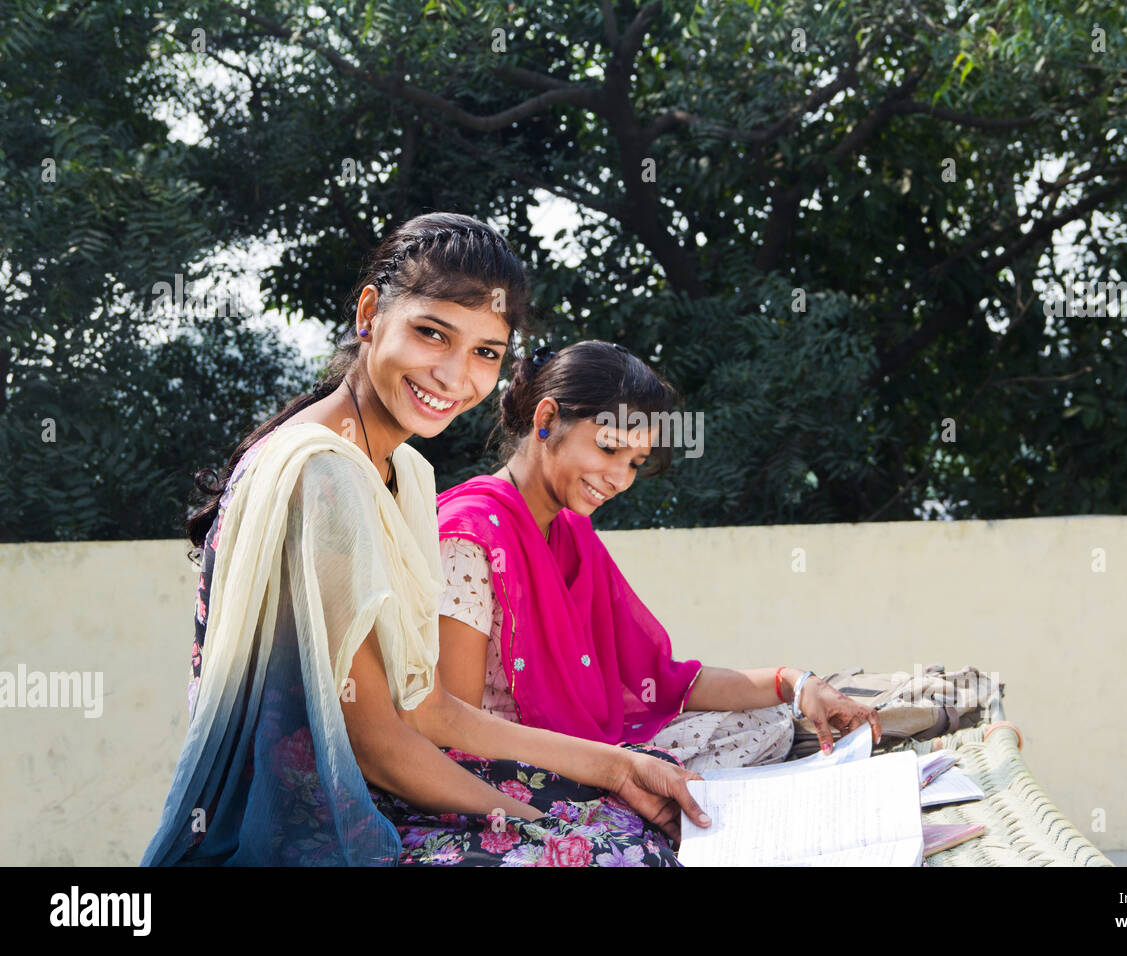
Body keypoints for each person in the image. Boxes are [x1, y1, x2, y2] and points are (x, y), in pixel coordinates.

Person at [141, 215, 708, 867]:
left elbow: (429, 708)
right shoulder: (321, 475)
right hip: (304, 826)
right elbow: (379, 741)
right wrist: (541, 832)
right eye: (431, 333)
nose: (453, 375)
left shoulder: (405, 471)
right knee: (613, 851)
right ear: (370, 314)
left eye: (485, 353)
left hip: (375, 790)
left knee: (632, 812)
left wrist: (614, 768)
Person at [435, 340, 883, 771]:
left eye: (634, 462)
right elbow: (454, 730)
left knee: (764, 724)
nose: (619, 479)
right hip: (508, 770)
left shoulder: (572, 533)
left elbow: (662, 680)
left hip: (594, 749)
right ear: (548, 418)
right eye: (609, 448)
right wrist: (614, 769)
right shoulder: (470, 535)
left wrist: (796, 683)